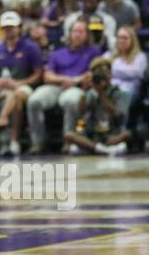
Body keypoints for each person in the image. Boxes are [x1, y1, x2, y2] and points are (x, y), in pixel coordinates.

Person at [26, 19, 97, 154]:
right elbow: (48, 76)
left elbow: (92, 74)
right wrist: (64, 79)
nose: (78, 35)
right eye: (75, 31)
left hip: (78, 87)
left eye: (81, 32)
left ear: (87, 35)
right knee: (34, 100)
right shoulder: (58, 53)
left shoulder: (93, 52)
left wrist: (75, 80)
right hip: (57, 85)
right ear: (69, 34)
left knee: (70, 101)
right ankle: (37, 142)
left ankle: (69, 141)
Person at [0, 11, 44, 155]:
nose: (9, 30)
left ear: (19, 28)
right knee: (13, 99)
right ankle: (12, 140)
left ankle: (5, 125)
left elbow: (38, 74)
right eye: (6, 27)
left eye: (12, 27)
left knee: (16, 96)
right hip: (2, 88)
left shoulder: (30, 47)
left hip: (25, 86)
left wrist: (19, 83)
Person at [64, 60, 130, 156]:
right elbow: (81, 113)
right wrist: (84, 91)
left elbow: (117, 115)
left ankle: (92, 148)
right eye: (98, 71)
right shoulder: (90, 93)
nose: (101, 75)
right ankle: (101, 149)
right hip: (93, 134)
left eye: (104, 71)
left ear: (110, 74)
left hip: (112, 133)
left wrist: (101, 93)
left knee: (127, 134)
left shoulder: (120, 93)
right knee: (69, 134)